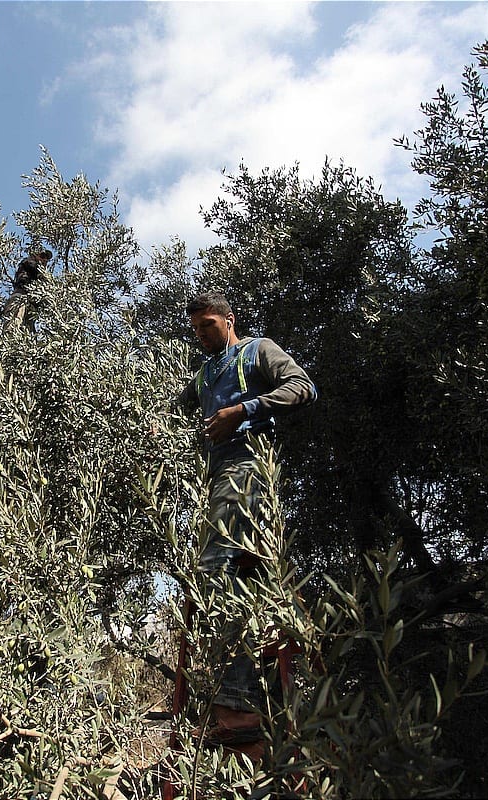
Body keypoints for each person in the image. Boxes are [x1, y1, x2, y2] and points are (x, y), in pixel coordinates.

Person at [175, 290, 317, 755]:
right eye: (196, 329)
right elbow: (176, 409)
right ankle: (268, 702)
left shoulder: (258, 351)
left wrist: (243, 410)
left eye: (209, 326)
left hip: (249, 468)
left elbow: (303, 387)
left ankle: (236, 705)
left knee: (212, 572)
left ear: (229, 320)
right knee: (246, 582)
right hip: (218, 478)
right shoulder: (204, 374)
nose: (202, 335)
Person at [4, 247, 52, 331]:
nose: (44, 260)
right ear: (35, 255)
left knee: (29, 329)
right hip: (21, 295)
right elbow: (34, 268)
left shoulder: (39, 273)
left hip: (31, 303)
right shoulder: (28, 262)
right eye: (42, 256)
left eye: (46, 259)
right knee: (14, 321)